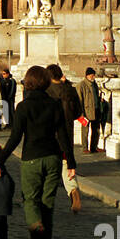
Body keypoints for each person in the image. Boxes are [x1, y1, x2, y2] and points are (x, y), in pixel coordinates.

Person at [0, 66, 74, 239]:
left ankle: (36, 226)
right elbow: (63, 136)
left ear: (28, 82)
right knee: (48, 201)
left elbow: (15, 138)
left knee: (30, 199)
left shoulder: (24, 106)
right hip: (53, 158)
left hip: (32, 158)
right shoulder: (54, 104)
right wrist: (72, 163)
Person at [47, 64, 85, 211]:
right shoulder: (70, 90)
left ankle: (47, 200)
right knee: (66, 166)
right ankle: (73, 191)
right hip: (66, 133)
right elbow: (77, 113)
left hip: (49, 135)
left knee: (49, 168)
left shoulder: (46, 92)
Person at [76, 67, 102, 153]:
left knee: (96, 130)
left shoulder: (94, 84)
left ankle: (94, 146)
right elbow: (79, 100)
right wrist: (81, 113)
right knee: (85, 131)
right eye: (92, 75)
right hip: (86, 111)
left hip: (96, 109)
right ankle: (85, 148)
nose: (93, 77)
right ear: (87, 75)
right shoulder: (81, 85)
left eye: (94, 75)